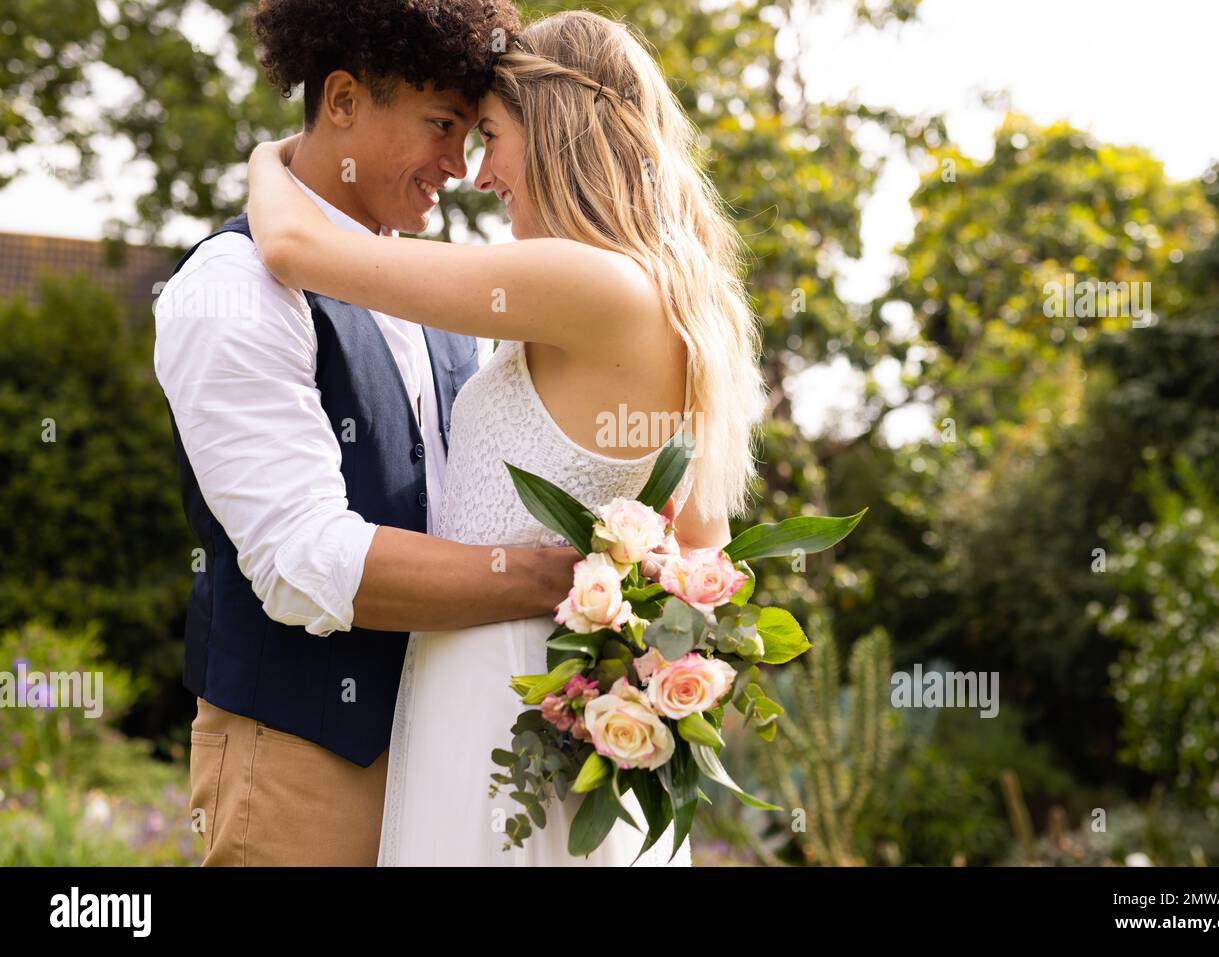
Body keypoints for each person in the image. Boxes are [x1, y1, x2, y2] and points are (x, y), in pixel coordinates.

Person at [244, 9, 767, 865]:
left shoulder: (585, 281)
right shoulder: (671, 298)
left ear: (556, 131)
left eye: (490, 134)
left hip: (498, 704)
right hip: (540, 714)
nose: (480, 173)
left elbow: (295, 246)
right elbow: (703, 563)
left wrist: (267, 156)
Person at [154, 0, 580, 866]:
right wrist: (557, 580)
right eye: (439, 127)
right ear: (342, 100)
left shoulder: (441, 300)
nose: (457, 167)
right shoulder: (235, 288)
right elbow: (304, 562)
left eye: (472, 135)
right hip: (303, 768)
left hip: (452, 764)